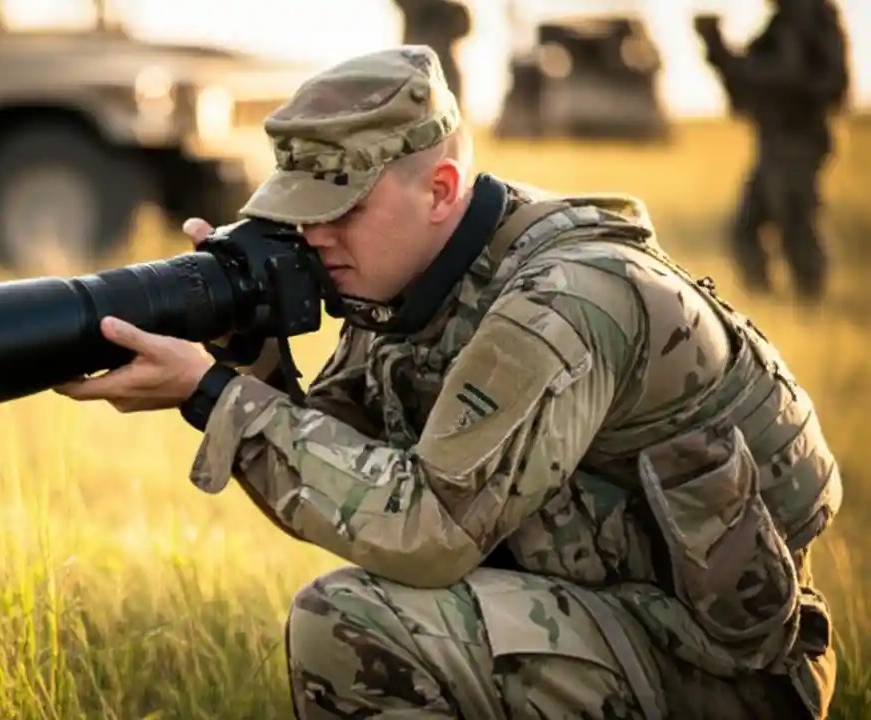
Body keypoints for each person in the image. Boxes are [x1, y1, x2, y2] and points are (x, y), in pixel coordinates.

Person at [54, 45, 841, 718]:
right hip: (605, 618)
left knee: (348, 620)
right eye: (299, 212)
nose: (314, 237)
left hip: (720, 666)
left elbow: (423, 532)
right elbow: (351, 476)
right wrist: (247, 348)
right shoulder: (408, 277)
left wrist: (211, 395)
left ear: (439, 190)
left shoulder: (566, 300)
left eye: (341, 208)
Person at [695, 0, 850, 301]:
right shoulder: (781, 24)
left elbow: (822, 83)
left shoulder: (810, 19)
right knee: (745, 229)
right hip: (775, 143)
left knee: (795, 224)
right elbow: (743, 88)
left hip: (797, 140)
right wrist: (715, 46)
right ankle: (765, 303)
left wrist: (746, 67)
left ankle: (809, 300)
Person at [394, 0, 472, 107]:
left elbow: (464, 27)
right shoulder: (419, 7)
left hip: (441, 69)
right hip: (415, 68)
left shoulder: (448, 11)